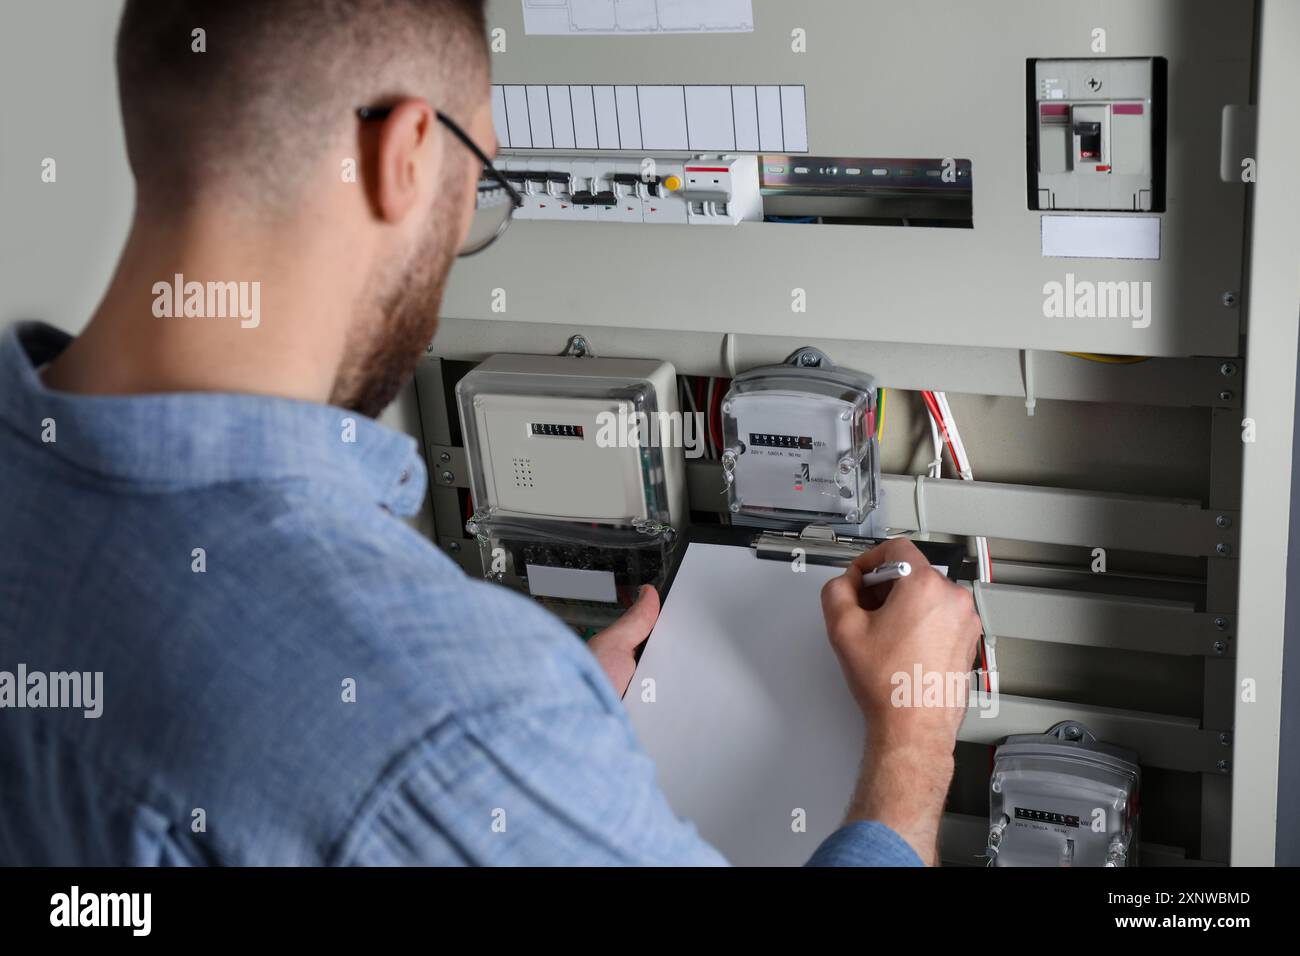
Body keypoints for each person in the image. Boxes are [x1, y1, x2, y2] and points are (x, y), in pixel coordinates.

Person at [0, 0, 981, 866]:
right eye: (481, 190)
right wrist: (910, 739)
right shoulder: (434, 710)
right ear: (406, 154)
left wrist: (529, 746)